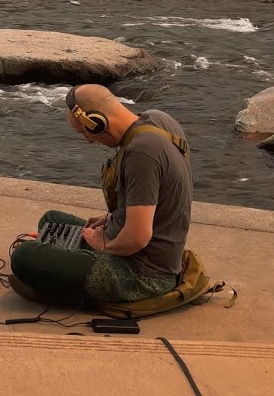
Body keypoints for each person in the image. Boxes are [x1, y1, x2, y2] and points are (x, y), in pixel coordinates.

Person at [10, 84, 192, 308]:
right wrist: (116, 217)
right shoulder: (158, 119)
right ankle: (61, 261)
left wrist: (103, 245)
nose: (87, 140)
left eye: (84, 132)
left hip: (142, 273)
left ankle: (66, 279)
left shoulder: (141, 152)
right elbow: (161, 196)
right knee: (51, 220)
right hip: (137, 247)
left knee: (23, 256)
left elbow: (137, 238)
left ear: (97, 123)